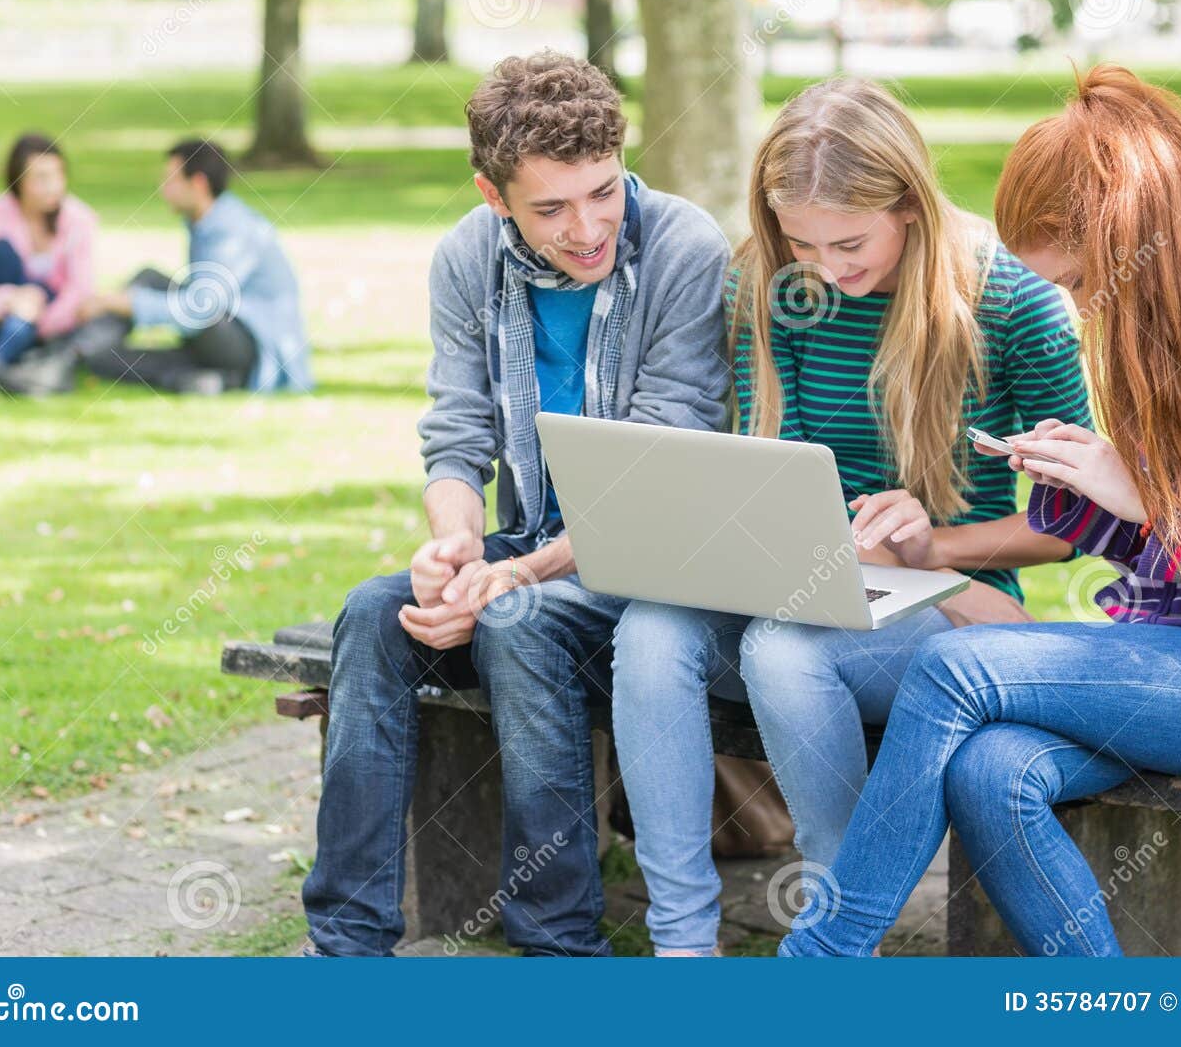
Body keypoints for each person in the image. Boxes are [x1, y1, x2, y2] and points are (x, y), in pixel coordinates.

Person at [779, 64, 1181, 958]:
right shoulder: (1167, 327)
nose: (1081, 306)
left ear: (1145, 235)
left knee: (957, 667)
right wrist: (1079, 488)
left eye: (1079, 279)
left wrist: (1147, 498)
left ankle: (821, 961)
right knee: (993, 771)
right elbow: (1164, 551)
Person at [609, 77, 1092, 956]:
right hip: (798, 580)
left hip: (938, 610)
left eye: (849, 240)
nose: (825, 265)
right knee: (650, 631)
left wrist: (932, 556)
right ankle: (681, 945)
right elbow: (777, 478)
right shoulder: (770, 281)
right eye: (802, 240)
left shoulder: (1013, 301)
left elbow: (1073, 522)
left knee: (785, 650)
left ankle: (837, 929)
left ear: (910, 204)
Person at [301, 51, 733, 957]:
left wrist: (512, 577)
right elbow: (456, 433)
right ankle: (345, 946)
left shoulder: (685, 249)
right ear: (494, 196)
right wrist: (457, 551)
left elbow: (654, 467)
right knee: (377, 614)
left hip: (654, 564)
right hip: (530, 544)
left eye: (603, 192)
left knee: (517, 622)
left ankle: (559, 945)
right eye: (551, 207)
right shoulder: (466, 255)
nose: (587, 228)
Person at [76, 139, 312, 394]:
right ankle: (88, 353)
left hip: (256, 350)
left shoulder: (231, 229)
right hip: (226, 335)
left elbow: (200, 309)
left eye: (171, 180)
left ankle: (73, 352)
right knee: (115, 360)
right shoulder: (205, 221)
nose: (163, 189)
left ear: (198, 183)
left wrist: (121, 302)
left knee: (148, 283)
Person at [0, 134, 97, 399]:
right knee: (2, 252)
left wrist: (36, 316)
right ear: (18, 181)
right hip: (1, 322)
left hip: (54, 327)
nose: (53, 186)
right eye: (41, 178)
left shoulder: (79, 220)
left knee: (40, 292)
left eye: (57, 175)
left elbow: (80, 292)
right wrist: (13, 301)